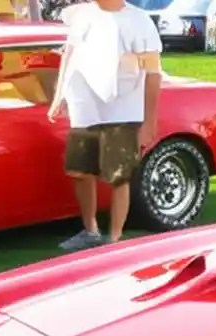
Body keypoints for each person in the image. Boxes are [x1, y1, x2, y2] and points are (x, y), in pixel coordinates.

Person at [48, 0, 163, 252]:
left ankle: (114, 238)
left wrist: (149, 121)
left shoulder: (140, 21)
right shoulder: (83, 16)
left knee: (118, 175)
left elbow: (153, 73)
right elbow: (69, 55)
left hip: (123, 108)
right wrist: (59, 95)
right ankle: (90, 230)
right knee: (80, 171)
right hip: (84, 108)